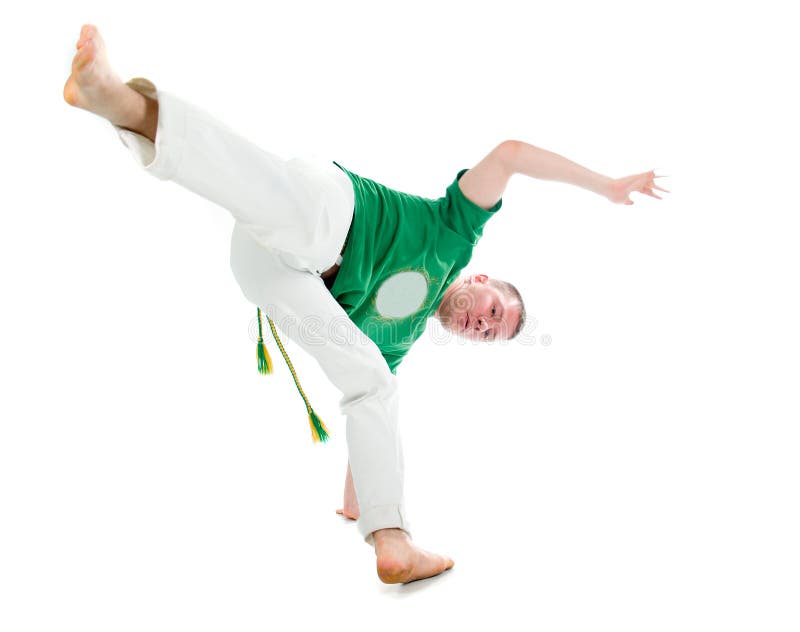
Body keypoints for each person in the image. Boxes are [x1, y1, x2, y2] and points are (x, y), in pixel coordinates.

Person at [63, 24, 666, 584]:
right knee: (296, 219)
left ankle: (391, 539)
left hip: (266, 270)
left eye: (488, 331)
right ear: (481, 278)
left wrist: (358, 501)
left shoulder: (395, 343)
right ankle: (126, 106)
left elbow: (369, 416)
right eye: (492, 309)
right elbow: (509, 154)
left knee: (374, 382)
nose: (481, 322)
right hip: (329, 208)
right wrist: (607, 185)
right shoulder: (455, 231)